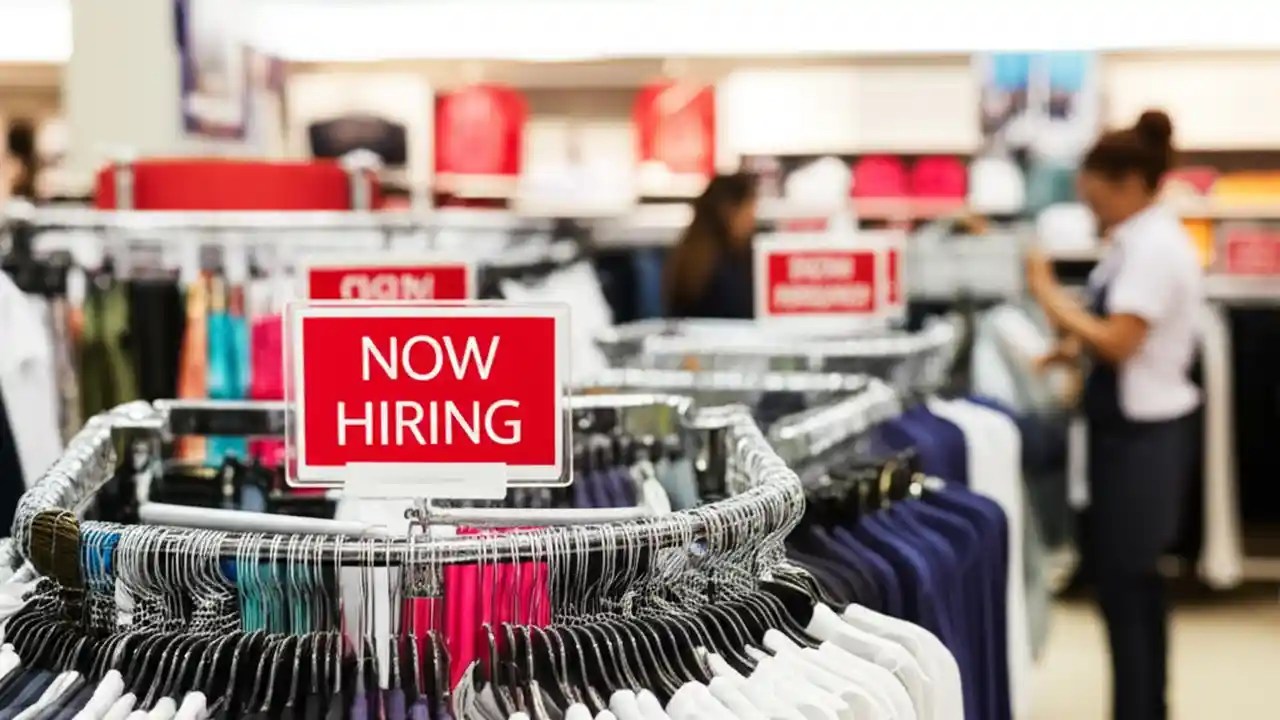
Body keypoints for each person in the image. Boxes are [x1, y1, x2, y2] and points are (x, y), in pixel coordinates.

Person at [1026, 109, 1202, 720]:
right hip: (1131, 436)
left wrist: (1045, 291)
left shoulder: (1153, 248)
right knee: (1132, 590)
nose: (1089, 207)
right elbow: (1117, 331)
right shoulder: (1136, 243)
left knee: (1128, 590)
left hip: (1142, 442)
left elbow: (1121, 342)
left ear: (1126, 184)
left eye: (1093, 195)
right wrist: (1069, 348)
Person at [663, 172, 758, 318]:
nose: (753, 220)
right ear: (730, 211)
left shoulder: (688, 260)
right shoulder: (730, 270)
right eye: (749, 209)